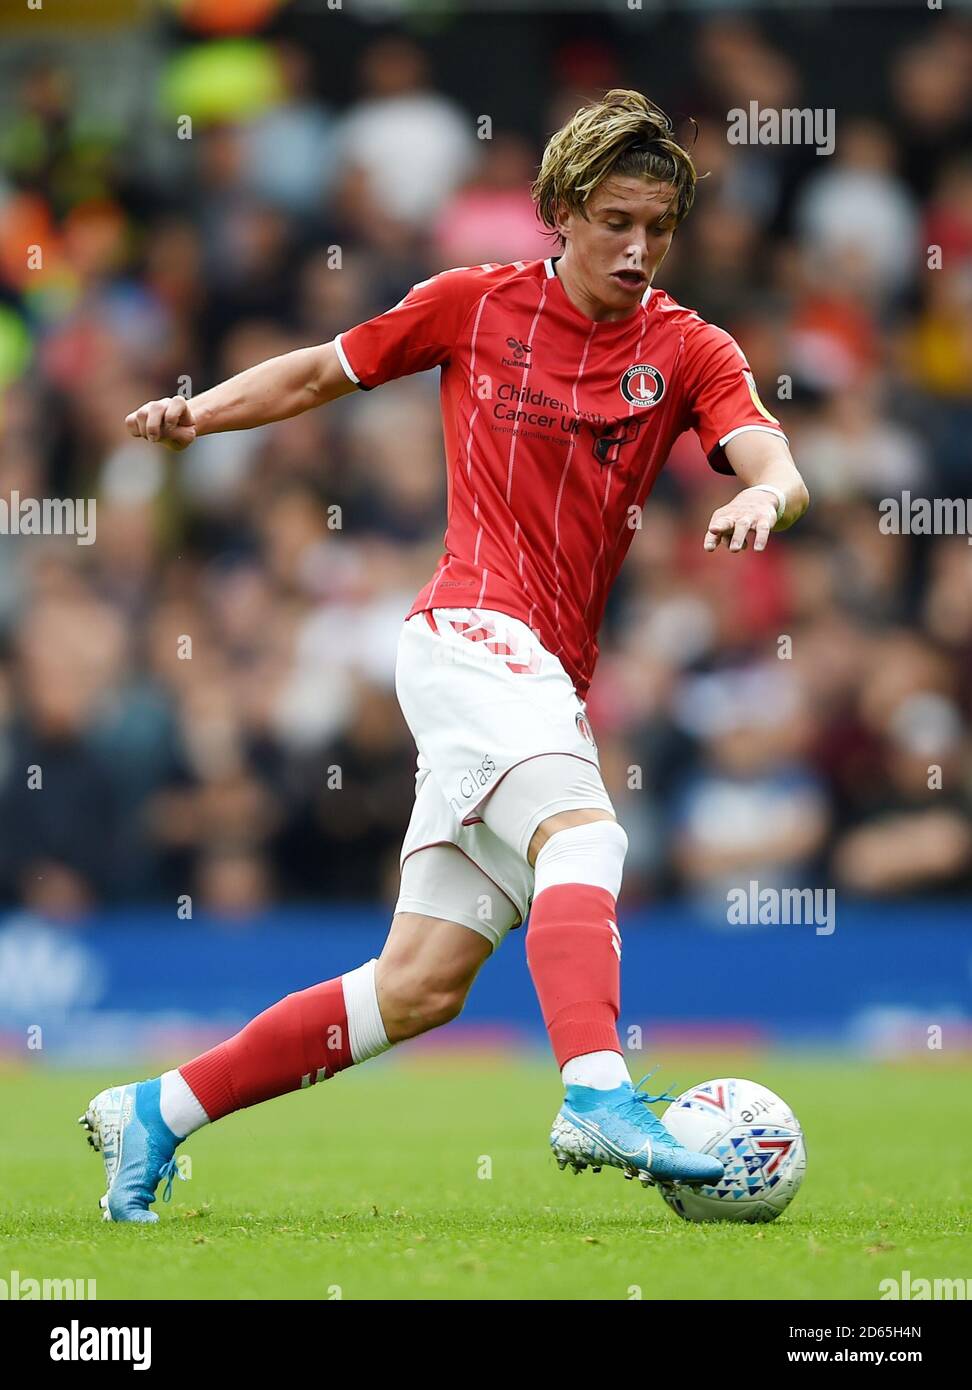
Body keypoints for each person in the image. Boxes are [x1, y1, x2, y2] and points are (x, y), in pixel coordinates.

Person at [84, 89, 809, 1222]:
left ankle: (159, 1109)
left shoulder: (686, 345)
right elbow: (323, 369)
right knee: (586, 829)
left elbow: (772, 454)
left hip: (543, 677)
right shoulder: (473, 306)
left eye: (658, 228)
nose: (638, 248)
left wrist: (766, 493)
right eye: (616, 220)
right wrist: (199, 413)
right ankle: (597, 1089)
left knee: (419, 986)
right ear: (562, 211)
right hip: (467, 630)